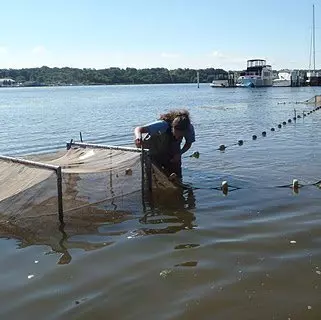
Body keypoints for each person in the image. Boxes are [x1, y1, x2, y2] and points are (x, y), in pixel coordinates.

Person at [134, 109, 195, 179]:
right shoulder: (162, 125)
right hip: (154, 150)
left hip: (172, 151)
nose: (177, 136)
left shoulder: (189, 129)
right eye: (176, 133)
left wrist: (179, 154)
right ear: (173, 127)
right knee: (153, 176)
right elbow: (138, 129)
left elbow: (188, 144)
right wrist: (138, 137)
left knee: (176, 176)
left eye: (181, 135)